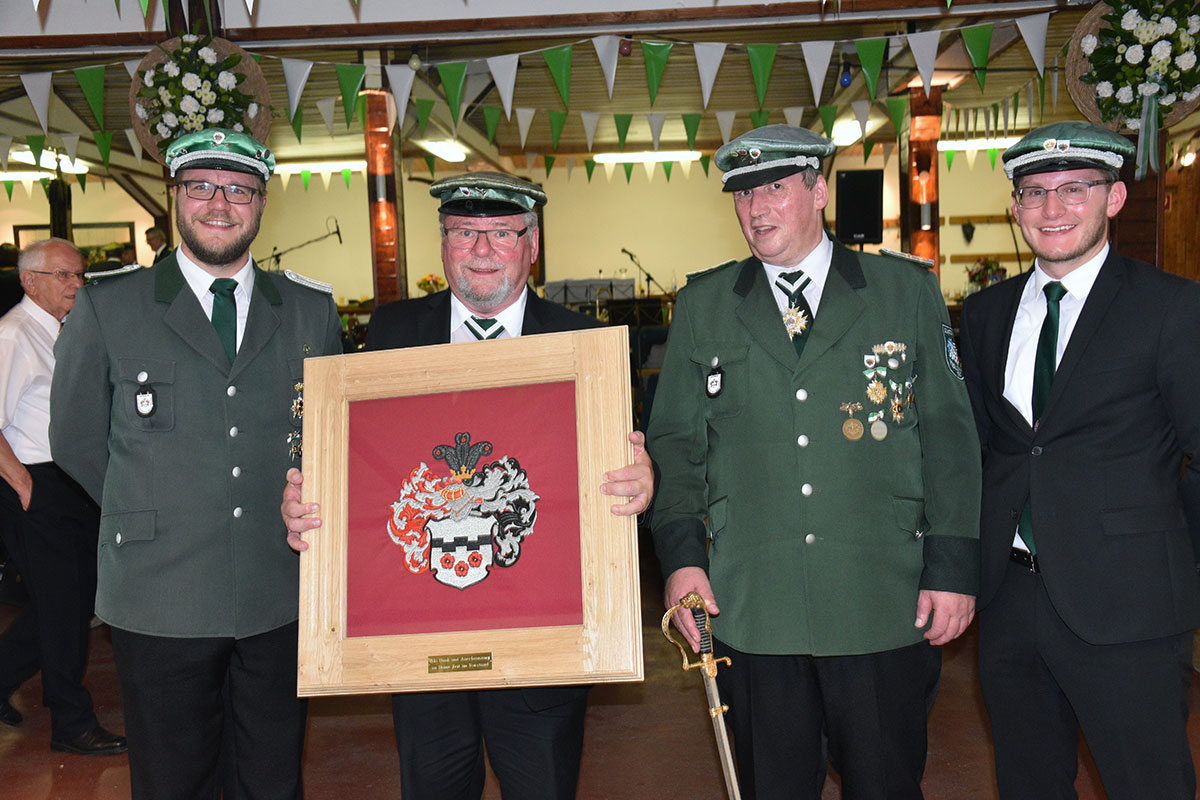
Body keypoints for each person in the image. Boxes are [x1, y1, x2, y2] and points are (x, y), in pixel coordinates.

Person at [280, 171, 653, 800]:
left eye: (501, 233)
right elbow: (368, 465)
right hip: (424, 645)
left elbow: (630, 462)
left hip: (543, 640)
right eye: (464, 233)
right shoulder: (390, 333)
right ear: (443, 243)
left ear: (531, 244)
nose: (481, 249)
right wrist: (312, 500)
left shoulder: (584, 345)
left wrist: (645, 481)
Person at [648, 124, 981, 799]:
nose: (756, 208)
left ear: (819, 189)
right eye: (741, 195)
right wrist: (683, 558)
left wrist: (952, 568)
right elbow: (676, 447)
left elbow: (949, 435)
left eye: (774, 187)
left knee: (886, 783)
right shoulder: (706, 305)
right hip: (754, 605)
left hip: (880, 596)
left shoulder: (903, 291)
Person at [49, 128, 343, 799]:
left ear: (261, 204)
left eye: (238, 189)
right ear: (174, 197)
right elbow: (75, 440)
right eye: (201, 186)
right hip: (160, 595)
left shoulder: (307, 310)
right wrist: (151, 507)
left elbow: (329, 437)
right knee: (172, 782)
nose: (219, 202)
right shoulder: (108, 305)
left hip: (277, 588)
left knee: (272, 778)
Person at [959, 121, 1200, 799]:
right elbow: (984, 449)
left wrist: (1174, 559)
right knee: (1029, 782)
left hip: (1129, 603)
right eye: (1034, 193)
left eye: (1074, 189)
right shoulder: (985, 314)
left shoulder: (1171, 309)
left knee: (1147, 783)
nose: (1052, 209)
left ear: (1114, 199)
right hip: (1010, 601)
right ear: (1014, 207)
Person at [0, 238, 125, 755]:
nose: (76, 285)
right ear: (30, 280)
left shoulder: (64, 331)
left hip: (69, 482)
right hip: (33, 484)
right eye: (64, 276)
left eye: (80, 276)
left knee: (72, 601)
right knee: (62, 610)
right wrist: (28, 488)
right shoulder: (12, 333)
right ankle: (71, 722)